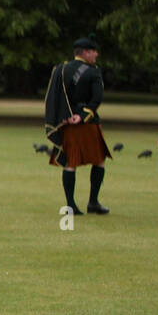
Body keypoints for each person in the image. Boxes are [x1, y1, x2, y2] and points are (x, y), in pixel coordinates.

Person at [44, 35, 112, 215]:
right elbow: (97, 98)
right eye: (94, 51)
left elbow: (53, 98)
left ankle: (70, 204)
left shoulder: (60, 69)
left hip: (66, 123)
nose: (96, 54)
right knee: (99, 160)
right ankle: (93, 202)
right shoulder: (93, 71)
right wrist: (83, 116)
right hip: (87, 123)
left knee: (70, 163)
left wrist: (64, 117)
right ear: (86, 52)